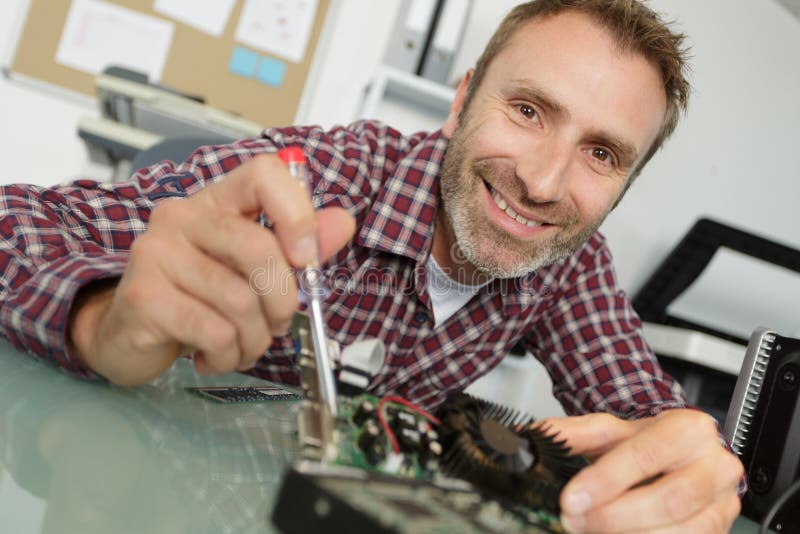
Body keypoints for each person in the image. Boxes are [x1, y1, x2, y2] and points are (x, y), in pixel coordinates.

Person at [0, 0, 744, 532]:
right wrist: (98, 314)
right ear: (463, 101)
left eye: (602, 153)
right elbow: (19, 222)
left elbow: (656, 421)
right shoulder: (324, 176)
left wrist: (696, 476)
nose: (546, 183)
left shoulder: (568, 258)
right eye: (527, 110)